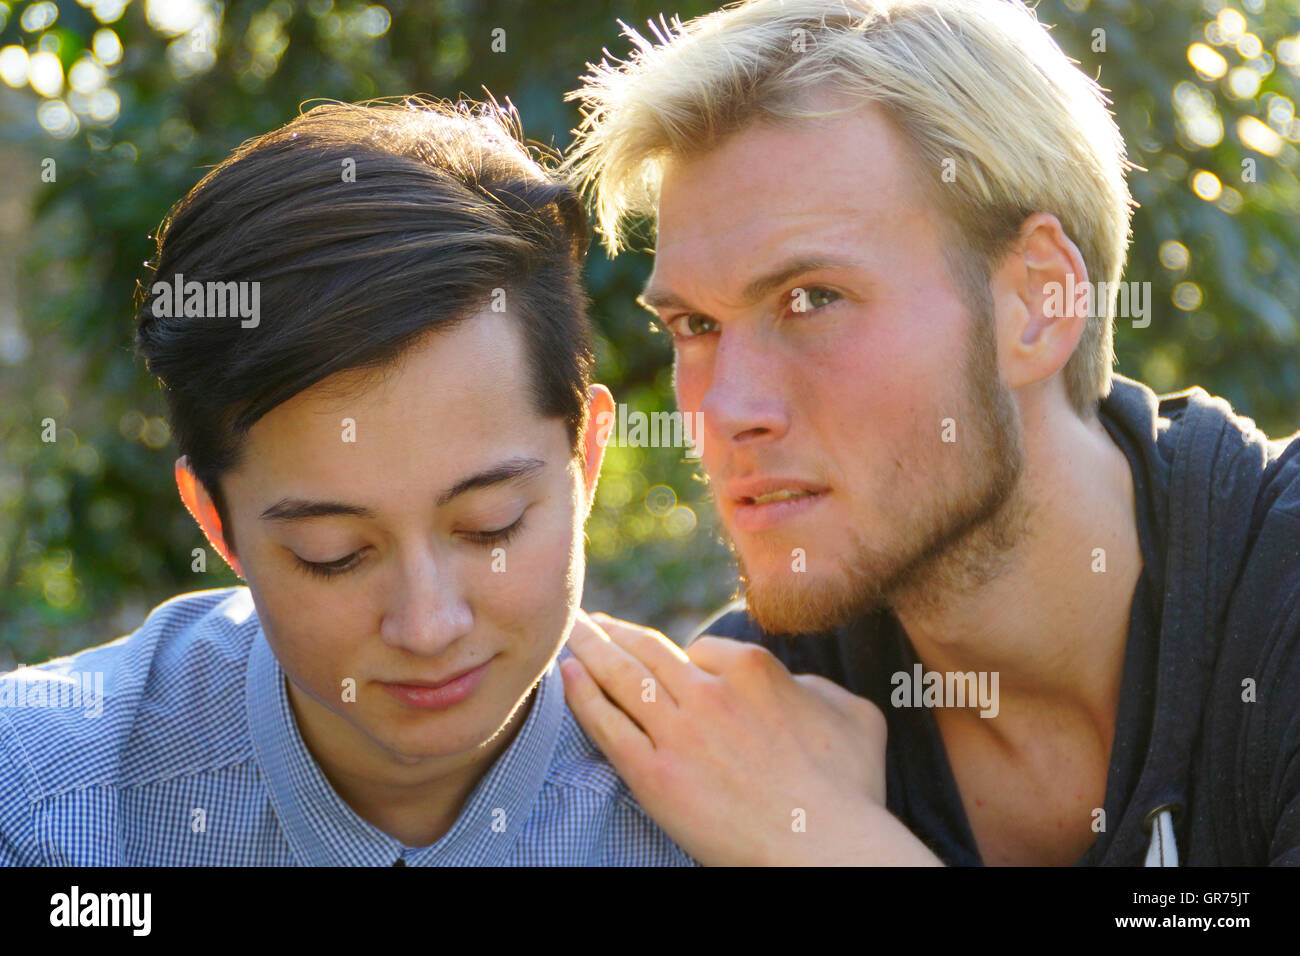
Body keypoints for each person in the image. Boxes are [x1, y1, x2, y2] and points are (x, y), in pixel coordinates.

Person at [558, 0, 1300, 865]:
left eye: (812, 299)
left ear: (1035, 301)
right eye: (694, 325)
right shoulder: (757, 730)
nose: (724, 410)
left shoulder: (1275, 593)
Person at [0, 98, 691, 866]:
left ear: (586, 460)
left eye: (490, 525)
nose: (428, 627)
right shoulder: (47, 811)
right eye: (333, 554)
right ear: (216, 521)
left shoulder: (721, 812)